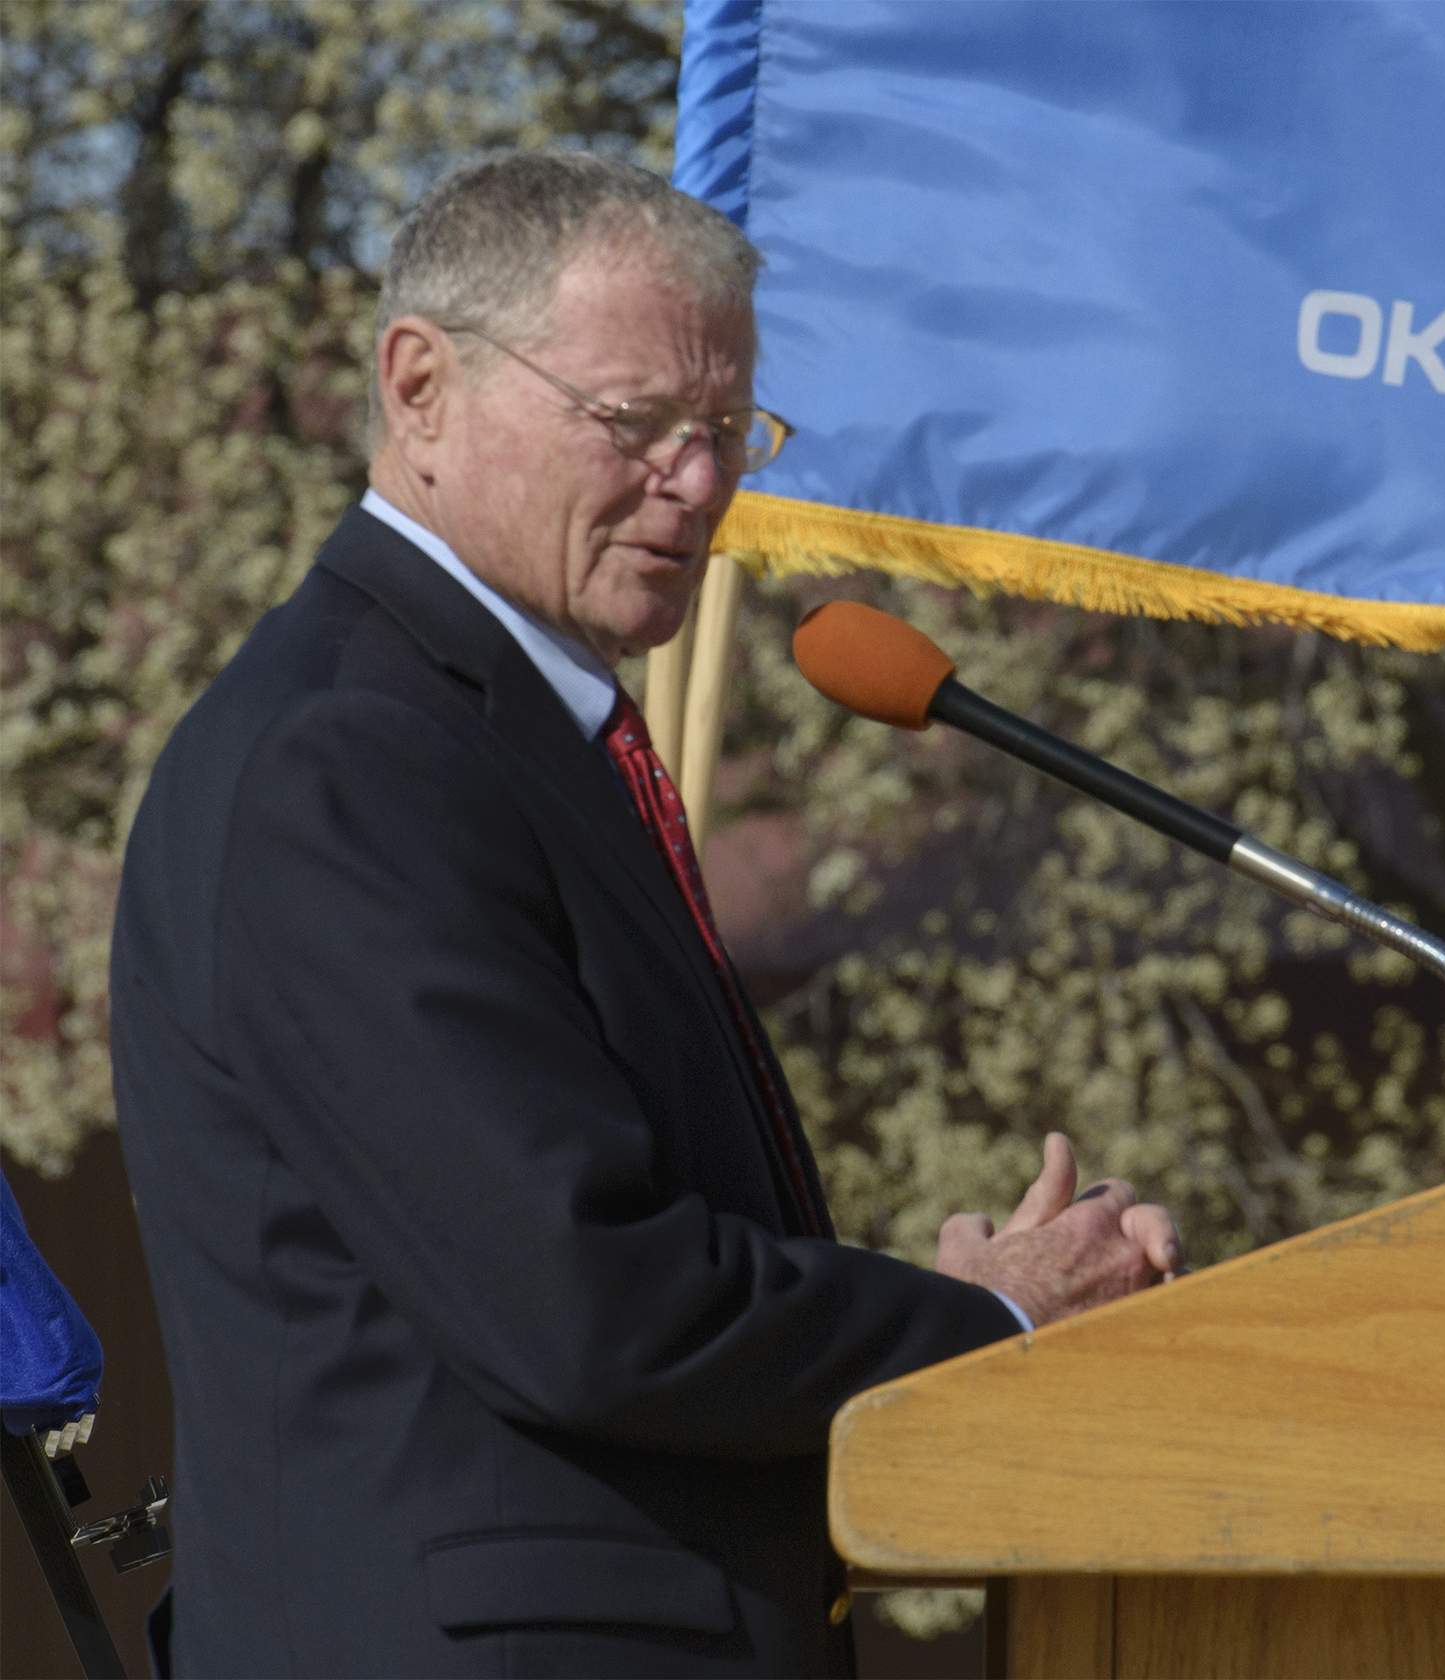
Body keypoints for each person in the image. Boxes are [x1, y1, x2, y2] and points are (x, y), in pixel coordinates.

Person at [110, 150, 1181, 1679]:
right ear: (420, 386)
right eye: (633, 423)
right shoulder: (349, 757)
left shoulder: (490, 736)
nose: (697, 486)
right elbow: (586, 1303)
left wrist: (937, 1315)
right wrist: (990, 1319)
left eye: (727, 432)